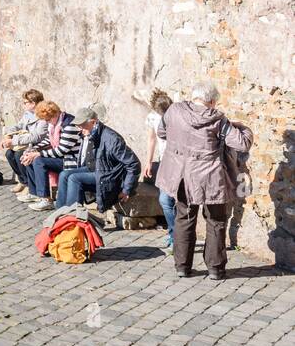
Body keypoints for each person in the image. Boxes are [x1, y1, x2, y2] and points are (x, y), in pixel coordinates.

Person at [157, 81, 254, 280]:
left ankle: (182, 266)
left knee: (184, 217)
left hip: (183, 176)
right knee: (216, 221)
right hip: (210, 177)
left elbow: (161, 132)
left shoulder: (174, 111)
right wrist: (242, 126)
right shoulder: (218, 120)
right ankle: (215, 269)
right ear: (211, 101)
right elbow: (242, 143)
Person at [53, 105, 140, 211]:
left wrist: (127, 189)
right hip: (98, 168)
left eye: (82, 125)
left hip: (110, 176)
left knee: (74, 178)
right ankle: (61, 213)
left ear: (93, 122)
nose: (79, 129)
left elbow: (133, 163)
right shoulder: (92, 133)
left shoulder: (112, 139)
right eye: (78, 126)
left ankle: (73, 217)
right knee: (64, 174)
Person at [20, 101, 79, 209]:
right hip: (61, 158)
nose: (47, 122)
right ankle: (35, 193)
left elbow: (62, 150)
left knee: (38, 160)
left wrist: (38, 153)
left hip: (71, 161)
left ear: (55, 114)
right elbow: (48, 140)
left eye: (47, 119)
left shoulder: (70, 125)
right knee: (29, 157)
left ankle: (46, 199)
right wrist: (32, 150)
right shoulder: (54, 123)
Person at [142, 89, 176, 247]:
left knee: (177, 201)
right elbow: (151, 140)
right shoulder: (152, 118)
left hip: (180, 162)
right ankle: (174, 234)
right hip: (164, 162)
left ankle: (180, 236)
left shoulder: (178, 114)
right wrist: (148, 161)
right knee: (164, 200)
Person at [1, 89, 47, 195]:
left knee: (19, 154)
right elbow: (18, 125)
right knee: (9, 153)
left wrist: (13, 141)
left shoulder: (42, 117)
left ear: (33, 103)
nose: (24, 104)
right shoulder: (28, 114)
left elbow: (36, 136)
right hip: (25, 143)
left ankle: (28, 184)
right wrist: (8, 135)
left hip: (37, 145)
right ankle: (22, 181)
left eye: (25, 102)